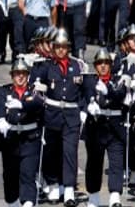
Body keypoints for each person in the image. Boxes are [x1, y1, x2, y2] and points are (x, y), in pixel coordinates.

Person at [32, 29, 86, 206]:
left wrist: (83, 109)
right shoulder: (45, 66)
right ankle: (54, 183)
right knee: (52, 151)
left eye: (64, 47)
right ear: (53, 48)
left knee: (70, 151)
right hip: (52, 114)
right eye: (58, 47)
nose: (61, 50)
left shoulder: (78, 65)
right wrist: (42, 101)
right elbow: (35, 91)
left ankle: (69, 189)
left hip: (71, 115)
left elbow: (85, 90)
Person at [0, 56, 45, 207]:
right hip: (10, 140)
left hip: (29, 139)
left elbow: (38, 103)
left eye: (23, 73)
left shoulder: (35, 91)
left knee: (28, 175)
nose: (20, 76)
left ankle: (28, 203)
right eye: (17, 73)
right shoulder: (4, 91)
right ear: (12, 75)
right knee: (10, 176)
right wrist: (1, 119)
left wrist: (22, 104)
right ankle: (13, 202)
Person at [83, 49, 128, 207]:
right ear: (95, 66)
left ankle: (115, 195)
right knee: (94, 162)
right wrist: (86, 108)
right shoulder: (89, 81)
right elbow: (82, 96)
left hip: (115, 126)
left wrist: (108, 90)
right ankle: (93, 195)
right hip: (96, 126)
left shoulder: (118, 80)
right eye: (100, 63)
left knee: (116, 162)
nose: (103, 66)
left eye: (106, 63)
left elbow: (120, 94)